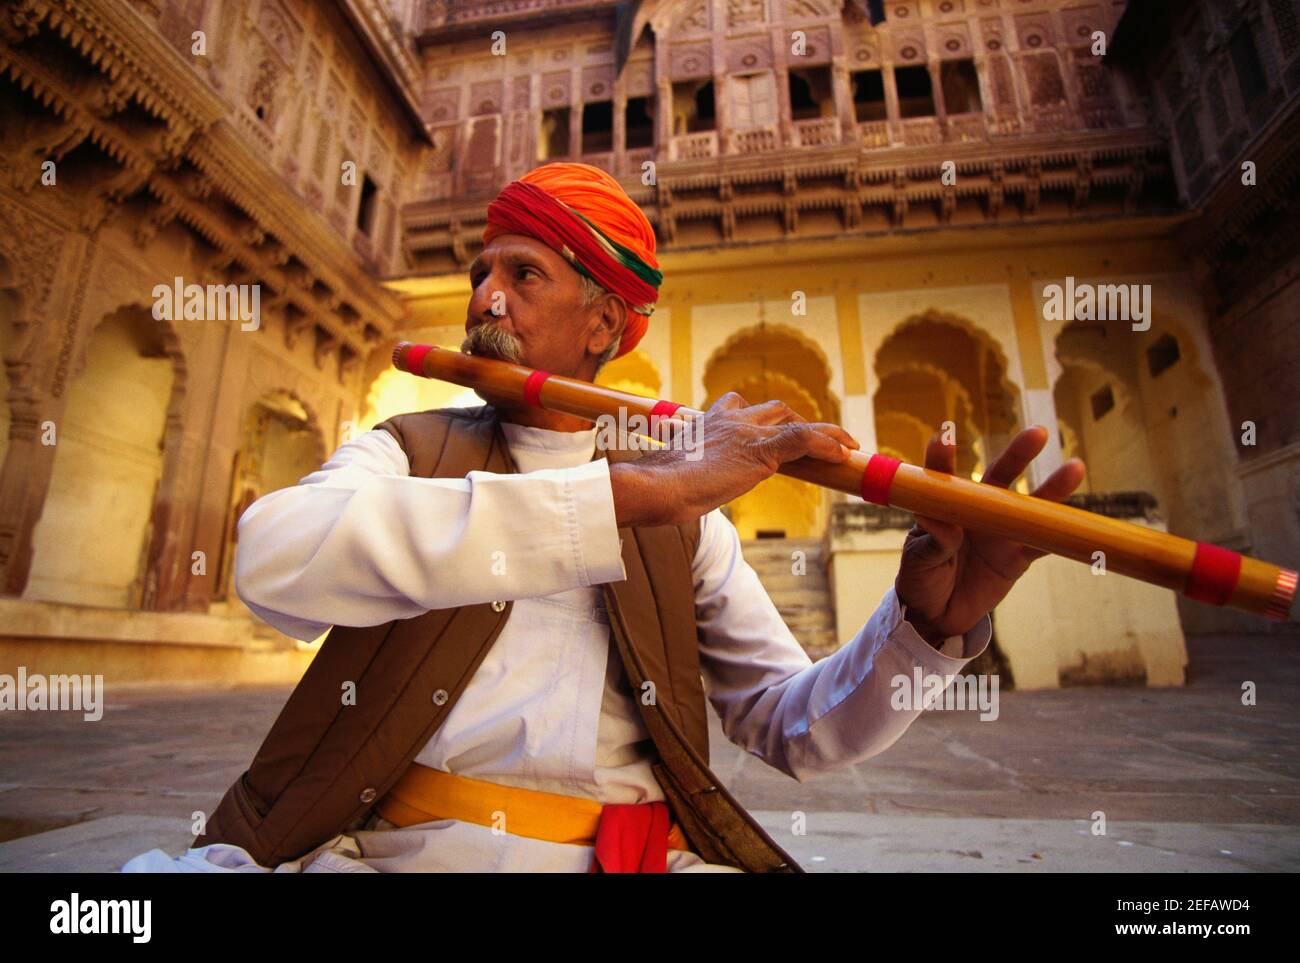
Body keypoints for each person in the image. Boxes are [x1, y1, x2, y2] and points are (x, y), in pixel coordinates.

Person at [122, 162, 1083, 873]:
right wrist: (639, 494)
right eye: (479, 273)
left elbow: (796, 727)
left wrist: (928, 625)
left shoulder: (686, 525)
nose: (484, 298)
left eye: (524, 275)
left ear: (603, 326)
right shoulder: (405, 451)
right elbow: (273, 556)